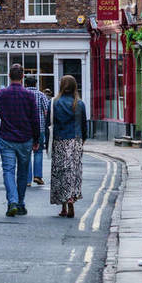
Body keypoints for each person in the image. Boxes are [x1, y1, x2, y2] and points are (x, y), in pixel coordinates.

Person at [0, 62, 40, 217]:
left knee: (8, 170)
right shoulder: (29, 95)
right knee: (22, 172)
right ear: (22, 77)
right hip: (26, 139)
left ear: (9, 76)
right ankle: (20, 203)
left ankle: (12, 201)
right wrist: (37, 139)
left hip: (7, 139)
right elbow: (35, 120)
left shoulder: (2, 93)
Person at [48, 74, 87, 218]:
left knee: (60, 173)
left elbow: (49, 123)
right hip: (75, 141)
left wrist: (47, 142)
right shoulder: (80, 103)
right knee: (73, 172)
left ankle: (64, 206)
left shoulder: (54, 102)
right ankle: (71, 198)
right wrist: (83, 139)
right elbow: (84, 124)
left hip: (59, 141)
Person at [25, 75, 50, 186]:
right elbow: (46, 112)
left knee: (26, 154)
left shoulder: (23, 94)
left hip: (25, 128)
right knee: (38, 152)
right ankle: (38, 176)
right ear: (36, 84)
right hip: (40, 128)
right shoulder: (41, 95)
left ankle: (27, 180)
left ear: (25, 84)